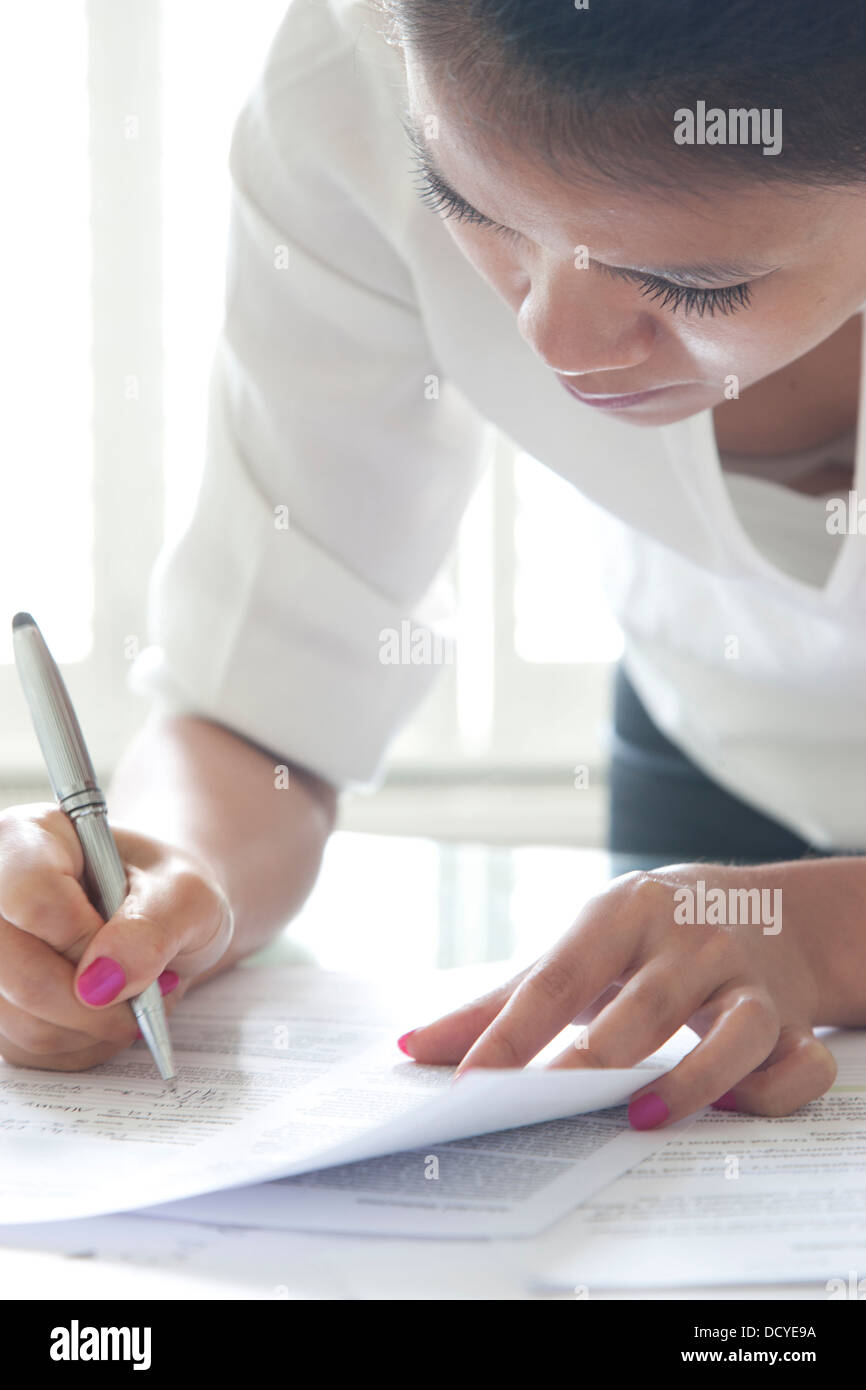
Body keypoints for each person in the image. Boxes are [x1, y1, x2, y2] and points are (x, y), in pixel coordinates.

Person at [2, 0, 865, 1132]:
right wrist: (170, 874)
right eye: (466, 204)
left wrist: (820, 934)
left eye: (696, 286)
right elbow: (262, 714)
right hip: (713, 750)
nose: (553, 345)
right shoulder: (358, 73)